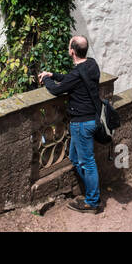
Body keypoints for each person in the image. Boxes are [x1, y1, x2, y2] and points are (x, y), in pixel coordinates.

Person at [38, 34, 102, 213]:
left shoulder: (78, 73)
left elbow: (58, 89)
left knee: (88, 163)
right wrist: (54, 74)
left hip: (82, 123)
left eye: (69, 47)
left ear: (72, 52)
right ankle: (92, 191)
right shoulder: (92, 64)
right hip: (89, 120)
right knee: (75, 158)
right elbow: (72, 79)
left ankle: (92, 201)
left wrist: (47, 79)